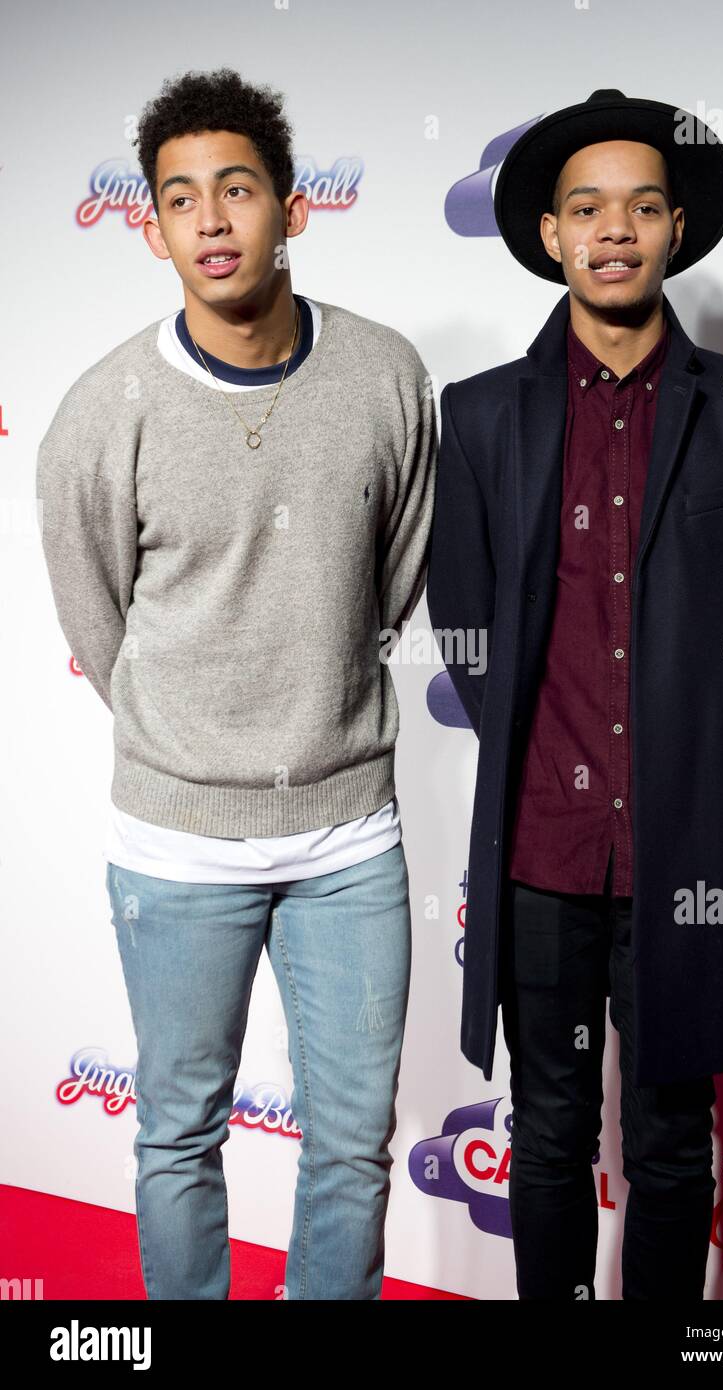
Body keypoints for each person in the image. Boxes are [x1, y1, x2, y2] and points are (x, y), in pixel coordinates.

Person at [36, 67, 437, 1300]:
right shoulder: (106, 411)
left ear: (291, 209)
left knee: (351, 1146)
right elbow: (100, 628)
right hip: (175, 844)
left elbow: (397, 575)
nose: (210, 221)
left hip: (346, 833)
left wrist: (310, 693)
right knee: (176, 1135)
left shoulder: (383, 375)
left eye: (237, 191)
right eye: (179, 200)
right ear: (151, 226)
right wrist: (194, 735)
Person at [426, 88, 723, 1300]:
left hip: (683, 845)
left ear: (674, 229)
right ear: (549, 233)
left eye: (641, 206)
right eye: (586, 208)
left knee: (664, 1140)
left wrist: (699, 740)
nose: (613, 230)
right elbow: (464, 615)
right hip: (541, 847)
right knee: (542, 1134)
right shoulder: (481, 414)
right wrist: (534, 745)